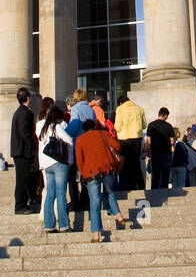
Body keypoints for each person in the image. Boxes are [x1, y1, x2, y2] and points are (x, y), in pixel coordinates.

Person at [75, 118, 125, 242]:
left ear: (84, 129)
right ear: (95, 126)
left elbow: (79, 160)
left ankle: (96, 234)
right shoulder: (103, 134)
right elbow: (117, 146)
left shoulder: (80, 140)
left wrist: (83, 173)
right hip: (107, 168)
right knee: (109, 192)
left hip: (91, 173)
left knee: (95, 202)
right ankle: (118, 216)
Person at [36, 103, 73, 232]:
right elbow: (70, 140)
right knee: (61, 194)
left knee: (50, 195)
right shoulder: (56, 127)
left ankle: (49, 225)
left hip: (46, 164)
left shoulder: (43, 128)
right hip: (58, 163)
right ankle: (64, 224)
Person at [10, 87, 38, 214]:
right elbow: (24, 131)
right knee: (22, 179)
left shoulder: (20, 111)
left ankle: (22, 204)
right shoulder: (23, 112)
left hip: (20, 150)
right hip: (22, 151)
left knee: (23, 178)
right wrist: (31, 144)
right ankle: (20, 206)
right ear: (28, 98)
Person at [114, 92, 147, 191]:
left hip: (124, 139)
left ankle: (127, 187)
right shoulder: (139, 108)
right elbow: (144, 125)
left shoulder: (120, 109)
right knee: (136, 163)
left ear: (120, 102)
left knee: (125, 164)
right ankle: (140, 186)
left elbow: (118, 126)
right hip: (136, 139)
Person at [145, 107, 174, 190]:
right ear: (165, 116)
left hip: (155, 153)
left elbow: (149, 141)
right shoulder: (168, 126)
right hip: (166, 153)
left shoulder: (151, 125)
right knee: (165, 176)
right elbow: (172, 141)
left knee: (155, 176)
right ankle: (164, 193)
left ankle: (154, 193)